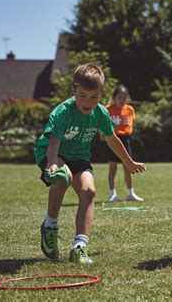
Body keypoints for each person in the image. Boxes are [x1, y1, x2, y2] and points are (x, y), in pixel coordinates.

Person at [34, 64, 146, 264]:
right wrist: (52, 165)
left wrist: (129, 162)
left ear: (101, 93)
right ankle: (50, 226)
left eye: (94, 97)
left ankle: (79, 247)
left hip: (79, 157)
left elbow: (112, 139)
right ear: (74, 90)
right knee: (63, 177)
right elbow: (53, 143)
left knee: (89, 191)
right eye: (83, 95)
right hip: (52, 153)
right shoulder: (63, 112)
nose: (88, 102)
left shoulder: (101, 113)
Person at [101, 84, 143, 202]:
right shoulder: (108, 109)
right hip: (113, 139)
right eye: (119, 97)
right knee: (112, 168)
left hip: (125, 140)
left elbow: (130, 123)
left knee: (128, 167)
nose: (122, 100)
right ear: (114, 98)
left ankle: (130, 193)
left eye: (124, 98)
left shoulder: (130, 109)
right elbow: (101, 124)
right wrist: (102, 134)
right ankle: (112, 194)